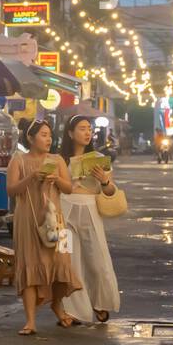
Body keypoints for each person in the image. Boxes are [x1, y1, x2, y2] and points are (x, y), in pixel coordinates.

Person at [7, 119, 82, 335]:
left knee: (62, 264)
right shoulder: (18, 161)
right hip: (27, 219)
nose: (48, 139)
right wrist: (31, 177)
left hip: (55, 218)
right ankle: (30, 321)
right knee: (30, 265)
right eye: (43, 135)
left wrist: (56, 179)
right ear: (30, 138)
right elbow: (11, 191)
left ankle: (57, 305)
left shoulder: (57, 160)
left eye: (49, 135)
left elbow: (68, 189)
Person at [58, 115, 122, 324]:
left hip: (90, 210)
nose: (87, 132)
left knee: (98, 260)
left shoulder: (98, 158)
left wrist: (104, 181)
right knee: (68, 261)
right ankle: (73, 311)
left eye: (89, 129)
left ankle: (100, 303)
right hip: (63, 210)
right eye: (82, 128)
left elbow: (111, 189)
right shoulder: (59, 159)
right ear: (70, 133)